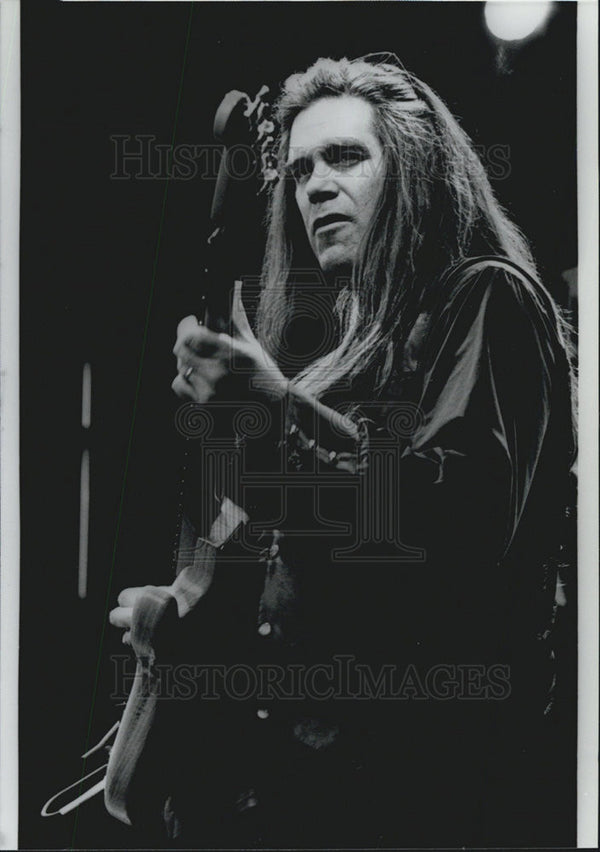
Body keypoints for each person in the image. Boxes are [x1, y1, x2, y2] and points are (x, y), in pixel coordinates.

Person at [110, 55, 576, 847]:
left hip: (415, 800)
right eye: (298, 170)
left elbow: (446, 529)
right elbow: (303, 581)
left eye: (345, 157)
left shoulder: (487, 296)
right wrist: (182, 624)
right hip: (298, 793)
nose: (315, 186)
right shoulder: (336, 366)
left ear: (416, 170)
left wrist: (271, 405)